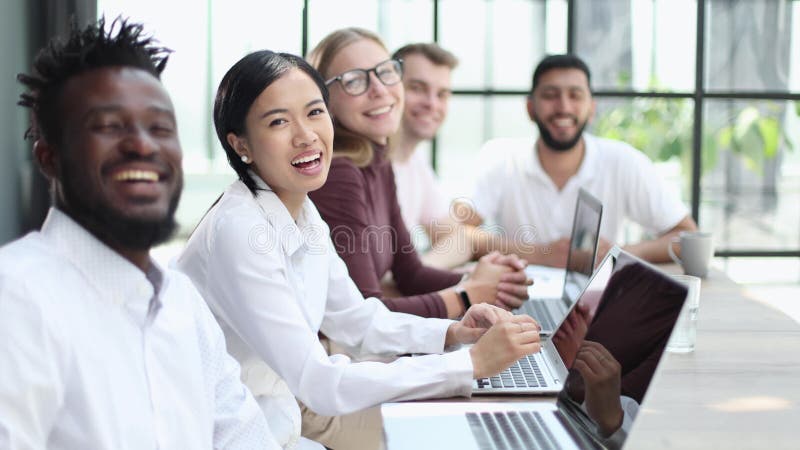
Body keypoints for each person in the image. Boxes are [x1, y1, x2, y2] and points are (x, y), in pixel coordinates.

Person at [174, 50, 542, 450]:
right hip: (225, 434)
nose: (306, 135)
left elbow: (355, 319)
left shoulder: (301, 209)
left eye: (315, 112)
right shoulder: (238, 229)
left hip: (275, 423)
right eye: (279, 121)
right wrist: (468, 364)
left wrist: (453, 332)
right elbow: (318, 382)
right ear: (240, 144)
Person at [0, 17, 277, 449]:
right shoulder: (16, 298)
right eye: (109, 126)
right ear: (49, 158)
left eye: (161, 127)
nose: (143, 145)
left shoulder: (183, 303)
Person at [307, 28, 532, 320]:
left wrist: (491, 282)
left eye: (385, 72)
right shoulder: (339, 174)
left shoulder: (378, 161)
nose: (379, 89)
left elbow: (410, 273)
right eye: (354, 81)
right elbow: (365, 318)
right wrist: (467, 295)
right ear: (325, 100)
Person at [462, 54, 698, 266]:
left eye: (575, 95)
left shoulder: (623, 161)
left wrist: (617, 253)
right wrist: (541, 254)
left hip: (596, 301)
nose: (563, 107)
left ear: (591, 108)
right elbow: (455, 232)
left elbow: (686, 237)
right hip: (513, 301)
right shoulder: (500, 158)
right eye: (550, 95)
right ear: (530, 108)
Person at [389, 43, 479, 269]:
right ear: (388, 88)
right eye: (418, 88)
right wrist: (416, 277)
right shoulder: (365, 166)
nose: (432, 104)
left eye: (442, 94)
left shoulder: (414, 161)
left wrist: (419, 273)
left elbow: (459, 239)